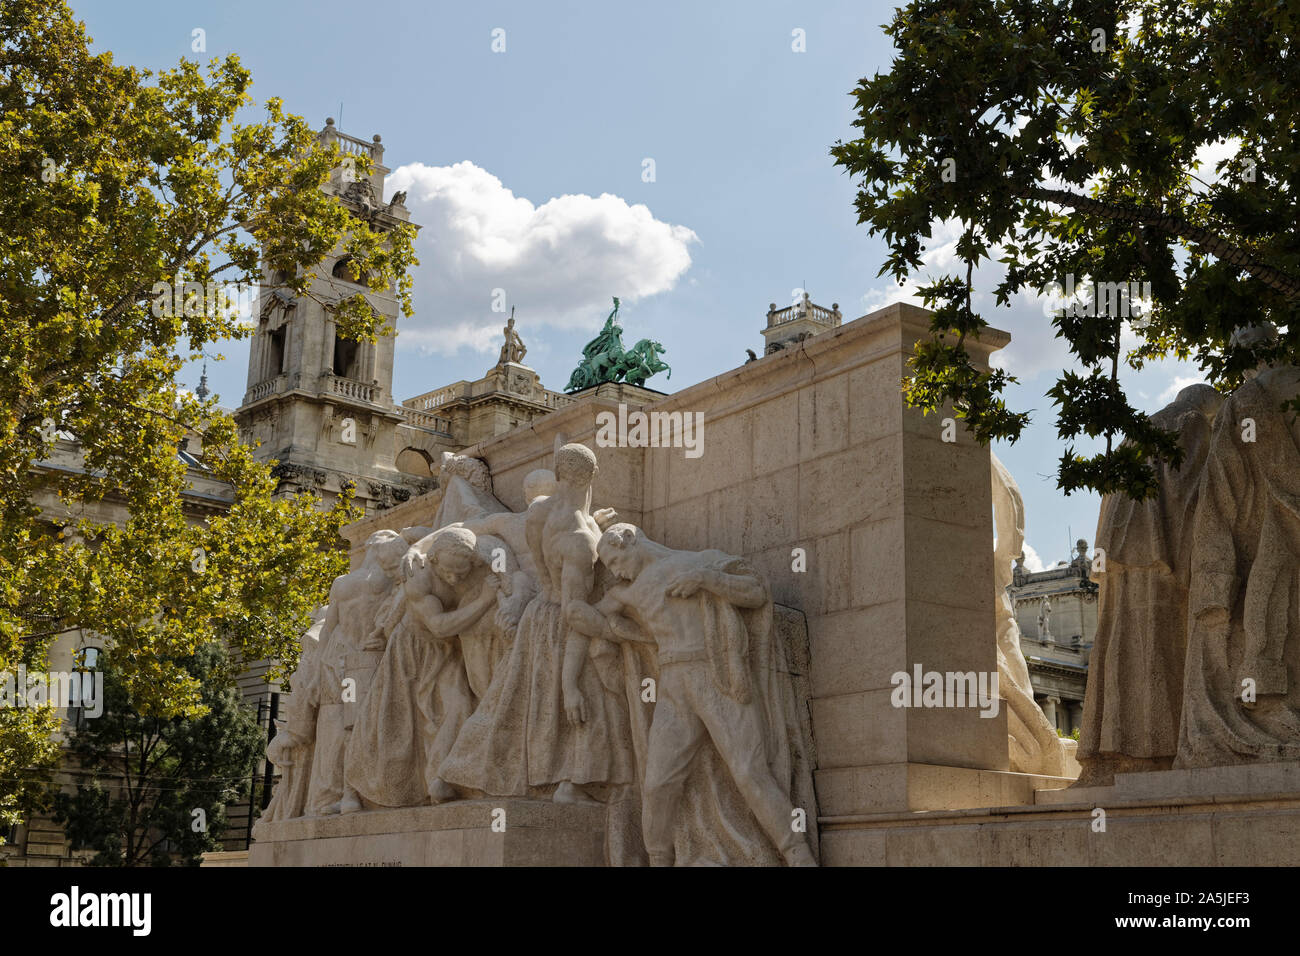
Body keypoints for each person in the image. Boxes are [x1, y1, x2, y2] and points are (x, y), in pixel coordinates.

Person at [574, 522, 817, 867]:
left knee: (749, 769)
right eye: (609, 567)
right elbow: (588, 618)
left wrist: (707, 580)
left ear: (631, 540)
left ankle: (797, 853)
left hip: (715, 674)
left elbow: (756, 593)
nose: (615, 571)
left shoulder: (700, 563)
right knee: (658, 781)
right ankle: (659, 859)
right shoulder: (626, 593)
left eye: (614, 560)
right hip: (673, 683)